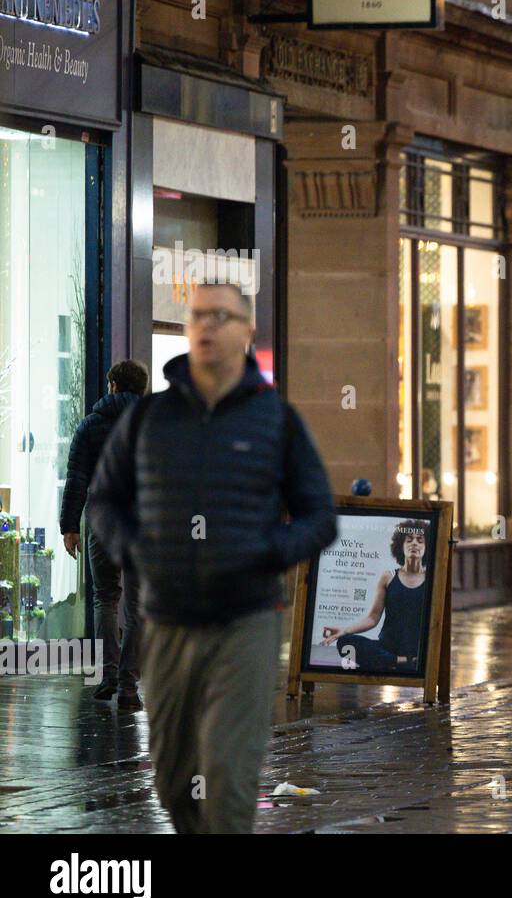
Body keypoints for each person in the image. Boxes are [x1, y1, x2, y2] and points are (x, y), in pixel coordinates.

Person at [87, 281, 337, 833]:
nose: (206, 325)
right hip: (168, 620)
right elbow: (103, 501)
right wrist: (136, 551)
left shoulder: (275, 420)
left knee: (228, 774)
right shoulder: (148, 418)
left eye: (220, 316)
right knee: (174, 779)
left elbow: (320, 515)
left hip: (245, 619)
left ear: (246, 331)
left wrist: (267, 552)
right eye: (198, 315)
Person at [59, 359, 149, 710]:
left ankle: (107, 676)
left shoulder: (90, 426)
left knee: (105, 597)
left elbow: (77, 479)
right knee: (137, 605)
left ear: (112, 385)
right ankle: (129, 688)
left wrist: (69, 527)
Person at [321, 521, 428, 672]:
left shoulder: (432, 579)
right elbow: (373, 618)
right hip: (387, 648)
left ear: (426, 546)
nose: (414, 544)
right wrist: (344, 631)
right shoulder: (388, 577)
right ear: (401, 546)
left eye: (420, 540)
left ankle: (393, 662)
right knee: (345, 643)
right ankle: (400, 661)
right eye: (409, 540)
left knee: (427, 654)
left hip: (416, 650)